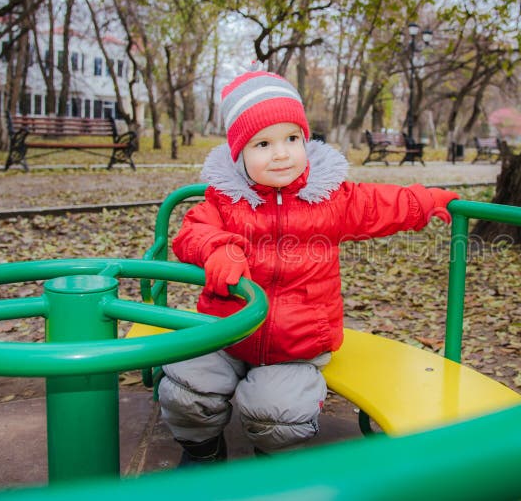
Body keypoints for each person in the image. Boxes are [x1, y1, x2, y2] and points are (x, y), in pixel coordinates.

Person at [159, 69, 459, 464]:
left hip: (295, 345)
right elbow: (191, 233)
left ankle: (271, 463)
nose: (281, 153)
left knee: (280, 415)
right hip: (225, 332)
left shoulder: (330, 197)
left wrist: (425, 201)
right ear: (239, 154)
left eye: (292, 139)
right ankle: (203, 454)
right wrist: (219, 249)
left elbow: (380, 204)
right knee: (184, 388)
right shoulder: (224, 200)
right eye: (263, 143)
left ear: (305, 139)